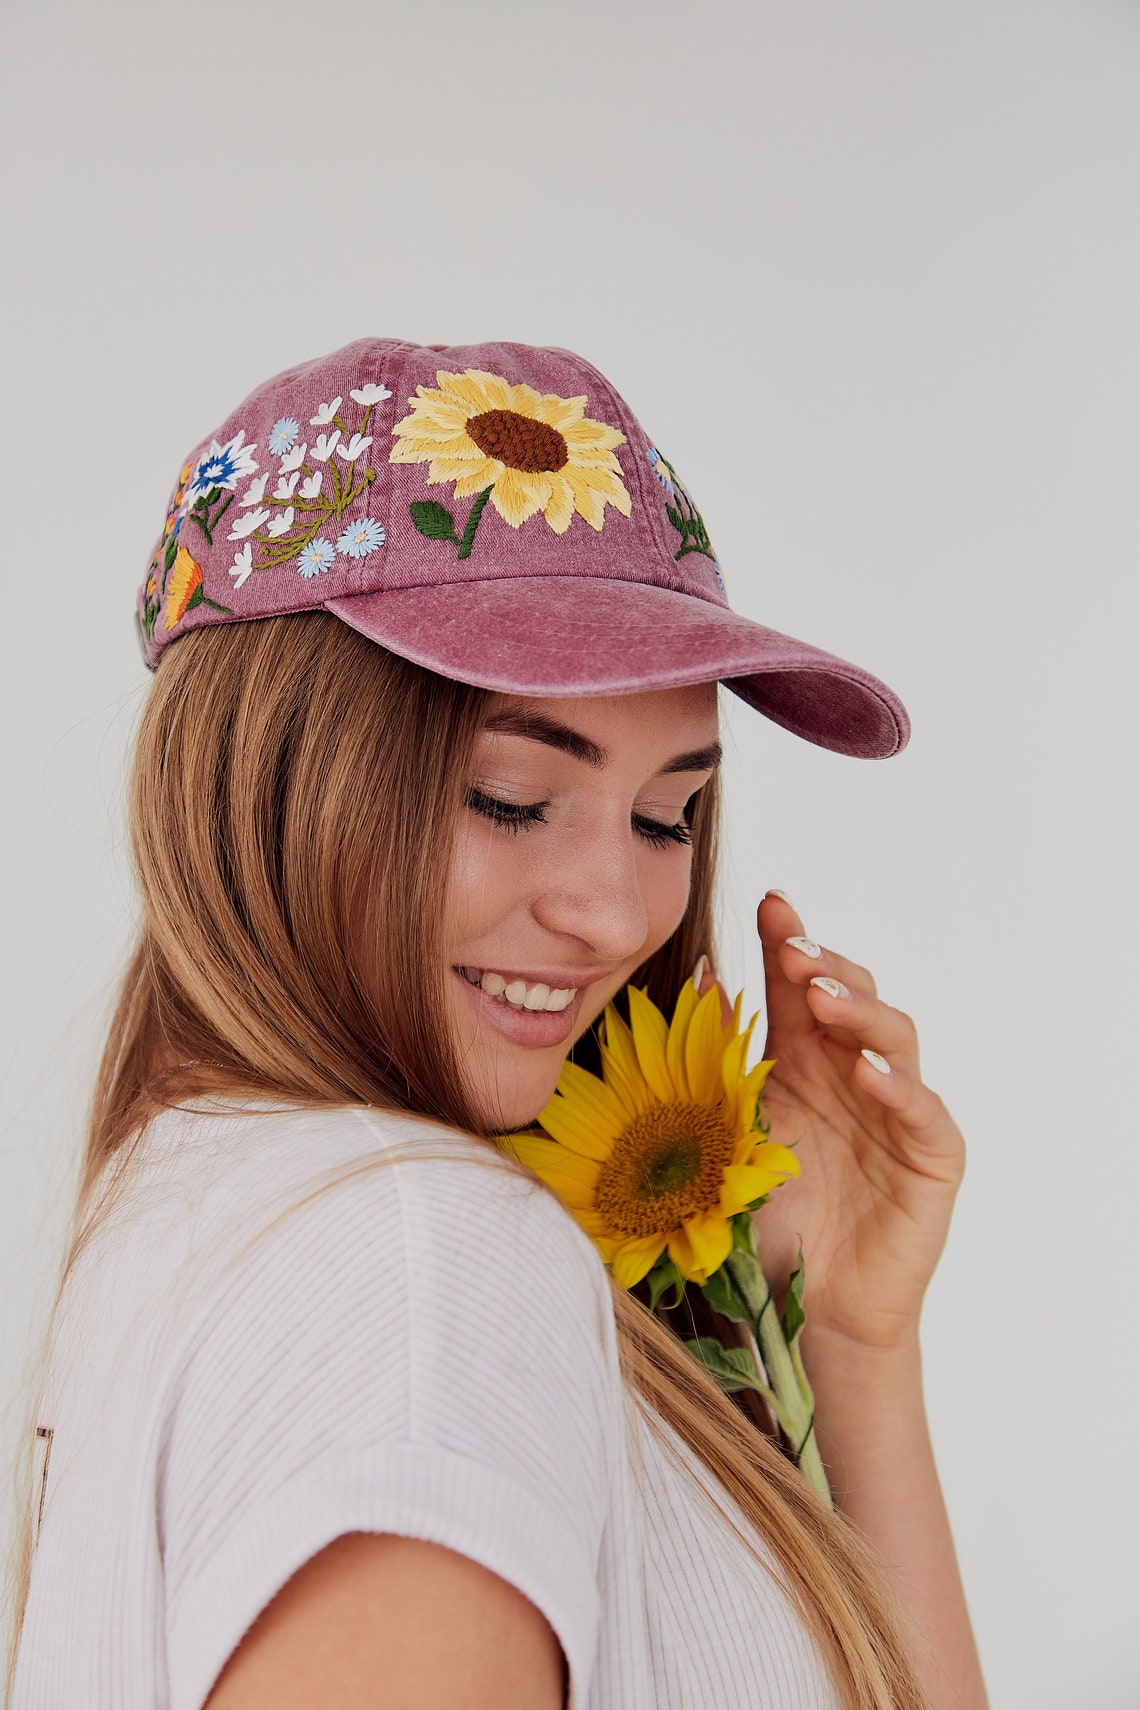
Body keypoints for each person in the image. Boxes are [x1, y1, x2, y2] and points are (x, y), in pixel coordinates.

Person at [8, 339, 988, 1710]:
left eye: (670, 815)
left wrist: (850, 1342)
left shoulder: (210, 1214)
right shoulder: (418, 1255)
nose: (616, 912)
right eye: (517, 796)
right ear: (272, 778)